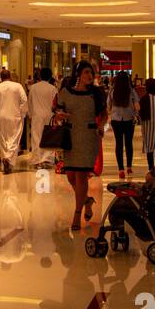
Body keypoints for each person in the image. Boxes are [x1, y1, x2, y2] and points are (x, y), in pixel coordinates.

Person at [53, 60, 107, 230]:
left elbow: (104, 114)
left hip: (88, 138)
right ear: (78, 74)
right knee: (70, 176)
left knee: (81, 176)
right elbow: (57, 111)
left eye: (91, 73)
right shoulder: (66, 92)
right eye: (86, 73)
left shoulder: (96, 93)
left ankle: (77, 215)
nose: (90, 76)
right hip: (71, 137)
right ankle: (87, 201)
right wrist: (59, 116)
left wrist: (100, 125)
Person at [0, 67, 29, 173]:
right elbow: (24, 100)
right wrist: (22, 113)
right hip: (14, 115)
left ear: (0, 78)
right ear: (10, 76)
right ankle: (8, 158)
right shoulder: (17, 86)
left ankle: (7, 162)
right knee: (14, 138)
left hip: (0, 115)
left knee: (3, 139)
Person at [28, 67, 59, 170]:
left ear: (40, 76)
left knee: (36, 137)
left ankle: (37, 161)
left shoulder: (33, 87)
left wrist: (30, 114)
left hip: (37, 115)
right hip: (49, 115)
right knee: (48, 137)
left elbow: (30, 102)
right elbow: (55, 104)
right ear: (50, 77)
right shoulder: (53, 88)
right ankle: (47, 158)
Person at [108, 71, 137, 180]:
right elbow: (137, 105)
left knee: (119, 144)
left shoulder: (112, 91)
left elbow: (108, 105)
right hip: (129, 119)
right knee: (129, 143)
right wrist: (135, 113)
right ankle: (129, 167)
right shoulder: (131, 91)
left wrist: (110, 116)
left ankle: (121, 169)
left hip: (116, 120)